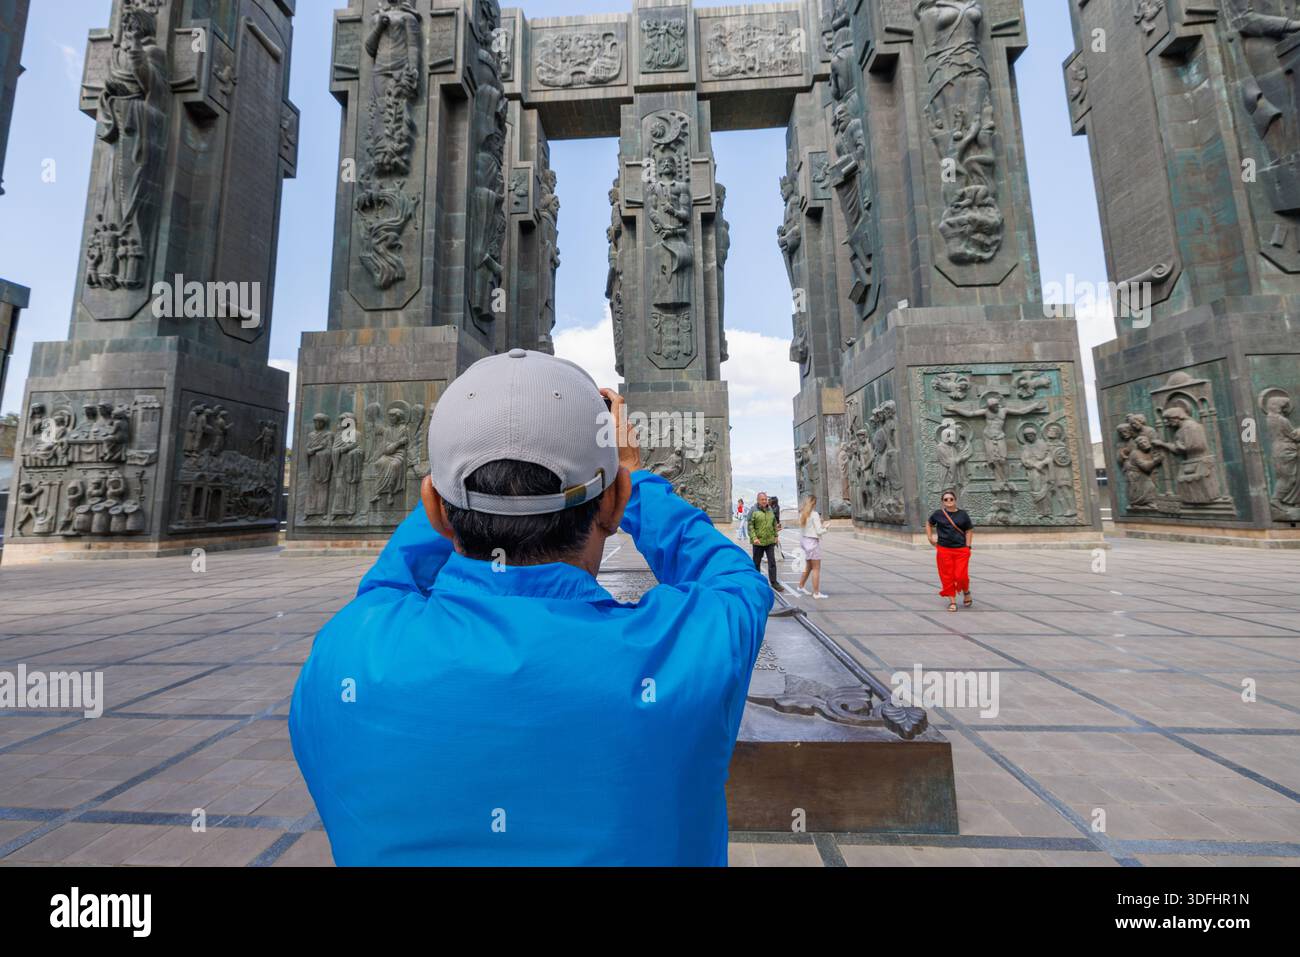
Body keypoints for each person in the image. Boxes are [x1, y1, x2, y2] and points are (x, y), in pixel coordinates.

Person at [289, 350, 773, 865]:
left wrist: (469, 473)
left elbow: (389, 581)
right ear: (613, 503)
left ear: (434, 508)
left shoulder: (346, 656)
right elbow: (737, 578)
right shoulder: (682, 661)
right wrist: (634, 474)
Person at [926, 489, 973, 612]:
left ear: (955, 500)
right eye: (946, 499)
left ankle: (966, 591)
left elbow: (969, 530)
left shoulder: (963, 514)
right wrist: (930, 537)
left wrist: (968, 546)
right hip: (944, 549)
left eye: (951, 499)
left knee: (961, 575)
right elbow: (928, 523)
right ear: (942, 502)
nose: (949, 501)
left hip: (961, 550)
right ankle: (952, 602)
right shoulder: (938, 514)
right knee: (947, 576)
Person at [795, 494, 827, 599]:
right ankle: (816, 593)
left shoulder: (802, 514)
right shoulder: (814, 514)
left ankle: (801, 585)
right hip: (812, 542)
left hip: (804, 542)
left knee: (808, 566)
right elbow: (819, 531)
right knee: (816, 568)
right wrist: (826, 527)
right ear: (814, 503)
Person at [748, 492, 782, 591]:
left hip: (770, 541)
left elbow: (774, 523)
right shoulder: (753, 511)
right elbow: (750, 526)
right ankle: (756, 582)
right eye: (762, 499)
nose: (764, 501)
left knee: (772, 562)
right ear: (758, 500)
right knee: (756, 563)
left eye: (765, 499)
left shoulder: (770, 509)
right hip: (758, 542)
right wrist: (754, 538)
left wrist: (776, 536)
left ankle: (774, 582)